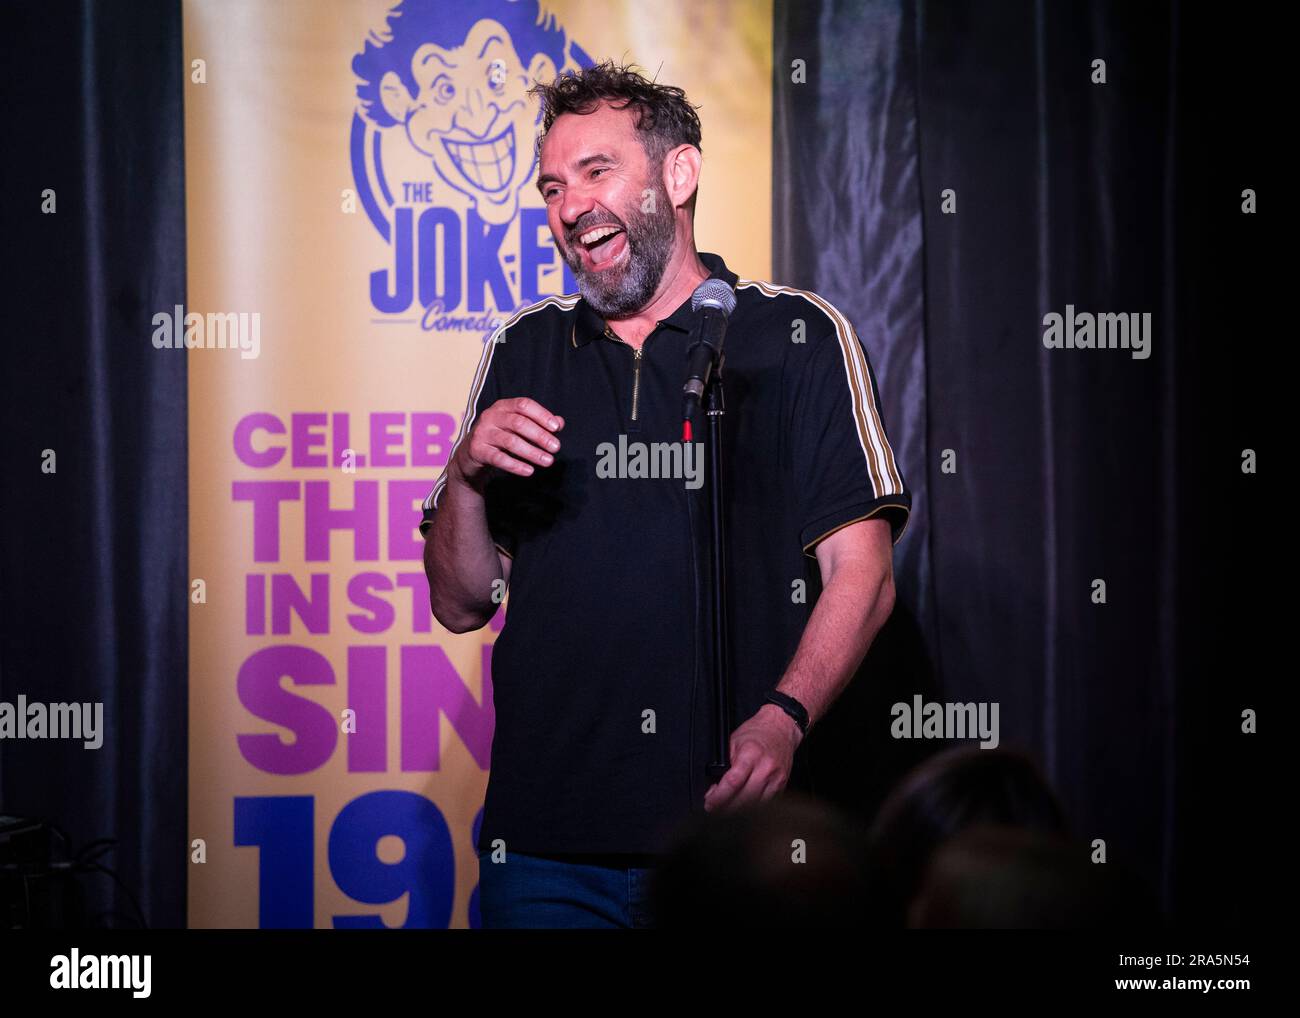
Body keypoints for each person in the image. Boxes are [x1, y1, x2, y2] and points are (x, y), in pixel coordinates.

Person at [422, 60, 911, 929]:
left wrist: (786, 718)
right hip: (545, 852)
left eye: (597, 172)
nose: (571, 206)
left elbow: (862, 575)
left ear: (678, 177)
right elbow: (461, 603)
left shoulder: (795, 334)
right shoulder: (524, 349)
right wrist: (464, 476)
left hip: (741, 849)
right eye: (551, 186)